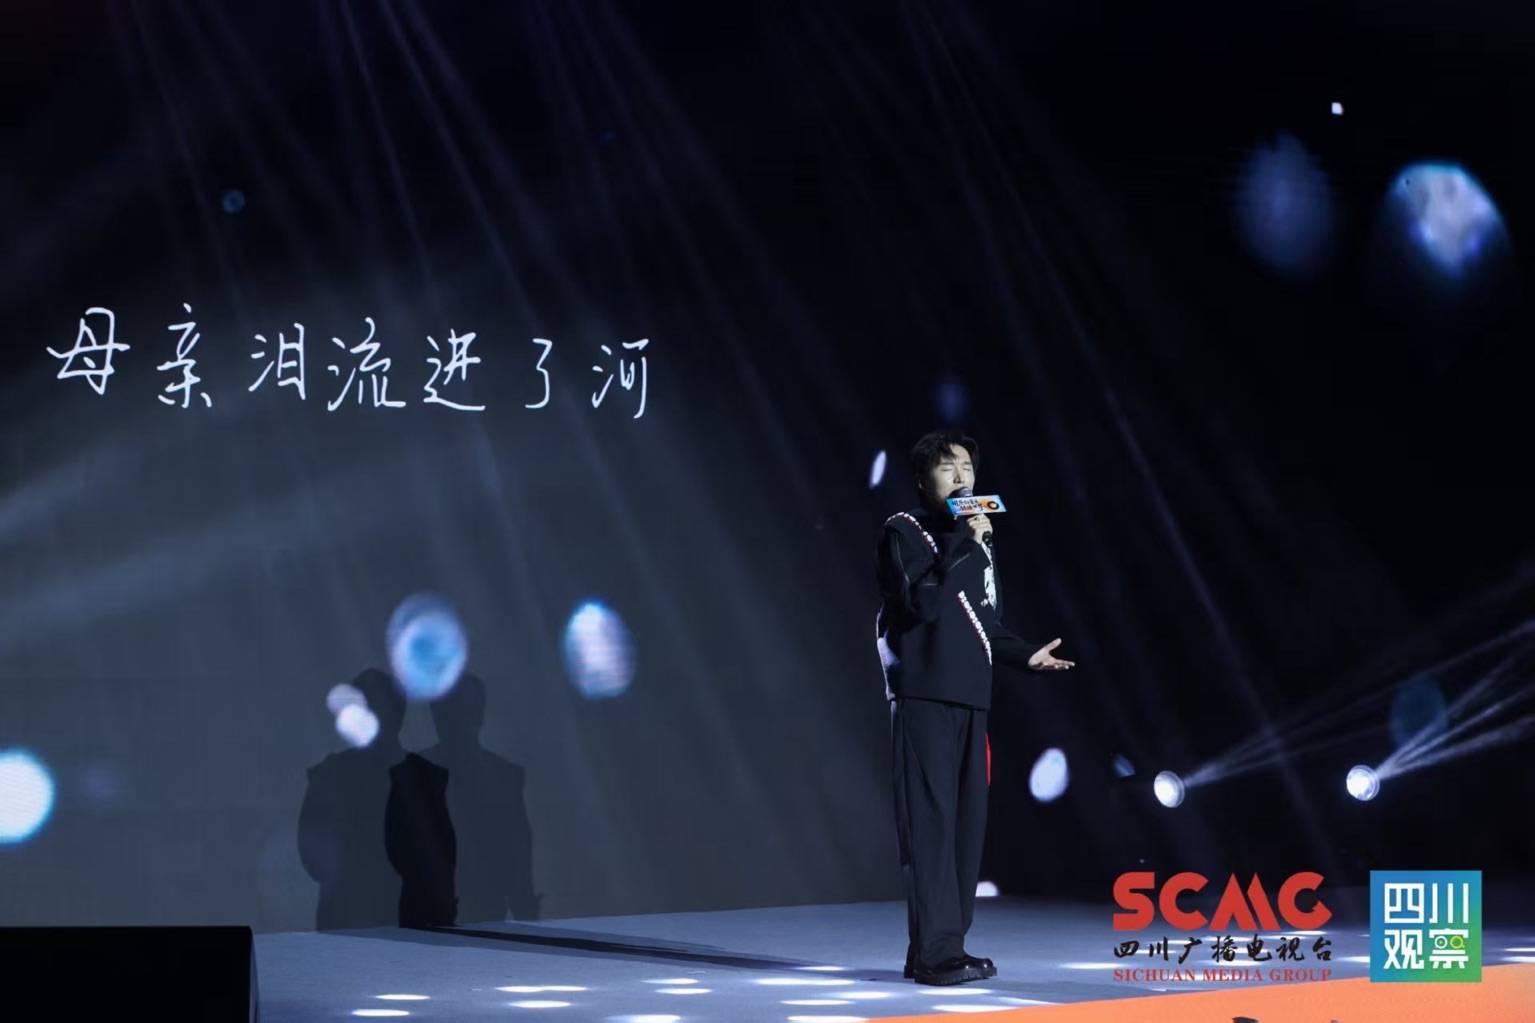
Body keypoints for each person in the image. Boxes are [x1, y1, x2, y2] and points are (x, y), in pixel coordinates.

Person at [875, 430, 1075, 985]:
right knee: (931, 826)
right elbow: (923, 603)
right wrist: (967, 543)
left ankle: (945, 947)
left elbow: (984, 621)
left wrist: (1026, 654)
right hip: (924, 695)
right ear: (923, 480)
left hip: (971, 696)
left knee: (966, 827)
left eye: (966, 467)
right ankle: (934, 954)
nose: (960, 477)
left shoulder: (977, 544)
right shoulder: (904, 531)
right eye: (947, 468)